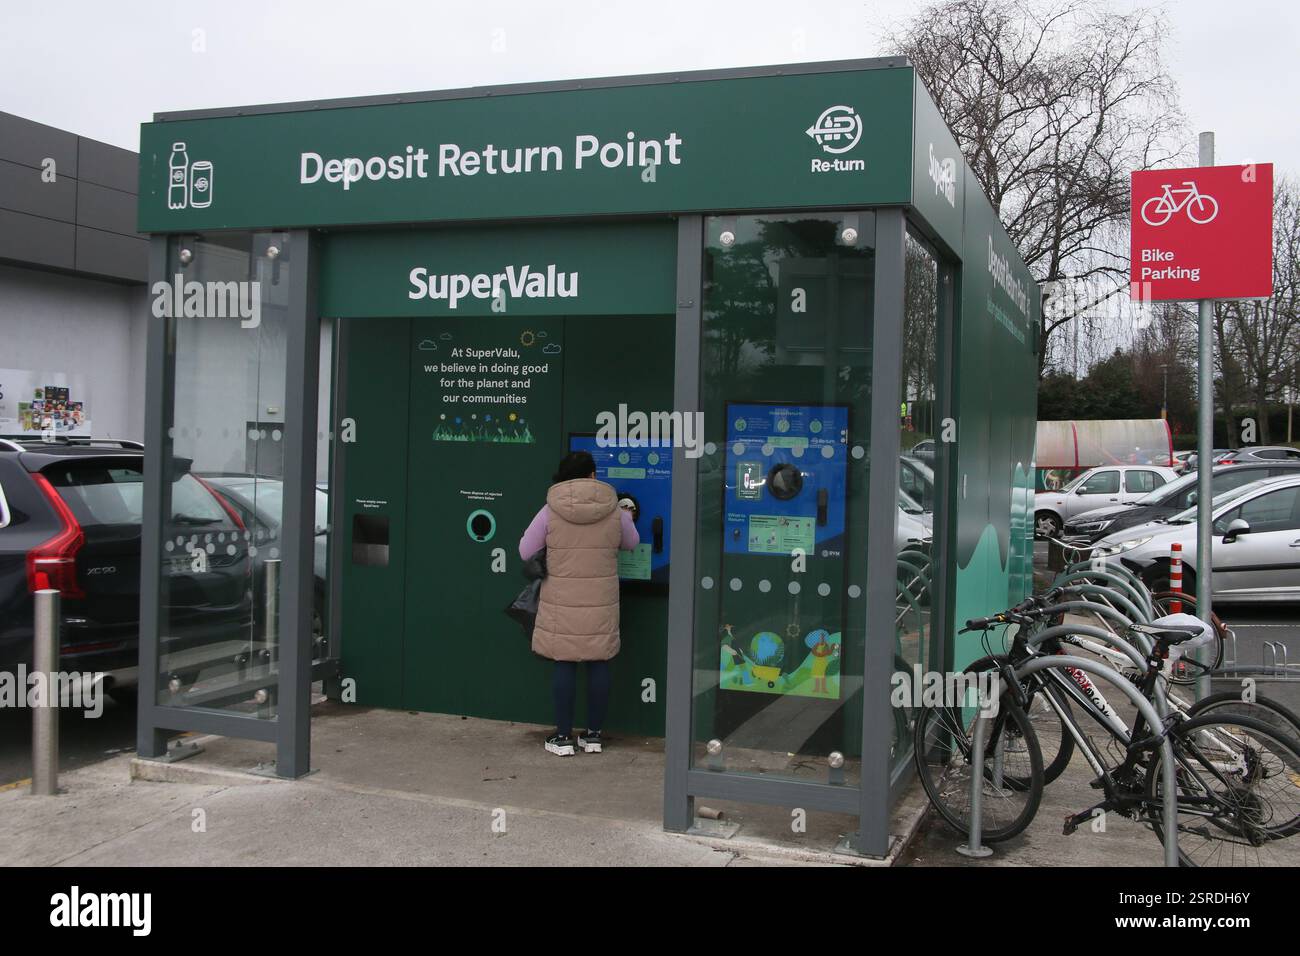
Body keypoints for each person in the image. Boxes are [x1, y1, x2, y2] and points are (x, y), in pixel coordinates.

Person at [518, 451, 638, 756]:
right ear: (593, 475)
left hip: (562, 600)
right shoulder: (615, 510)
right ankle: (594, 736)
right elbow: (632, 543)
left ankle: (562, 738)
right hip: (601, 600)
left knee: (565, 660)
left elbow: (525, 550)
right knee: (599, 660)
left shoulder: (550, 510)